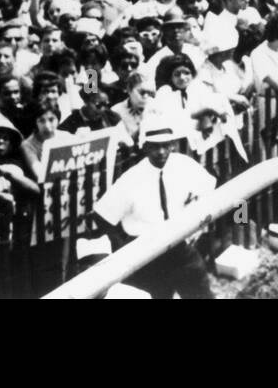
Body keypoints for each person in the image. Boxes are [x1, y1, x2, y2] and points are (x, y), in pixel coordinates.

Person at [92, 121, 217, 299]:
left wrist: (198, 224)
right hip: (146, 255)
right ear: (145, 147)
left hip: (180, 246)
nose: (161, 152)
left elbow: (208, 189)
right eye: (155, 147)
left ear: (173, 145)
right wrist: (122, 249)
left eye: (166, 145)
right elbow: (102, 216)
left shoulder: (184, 165)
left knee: (200, 292)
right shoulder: (131, 179)